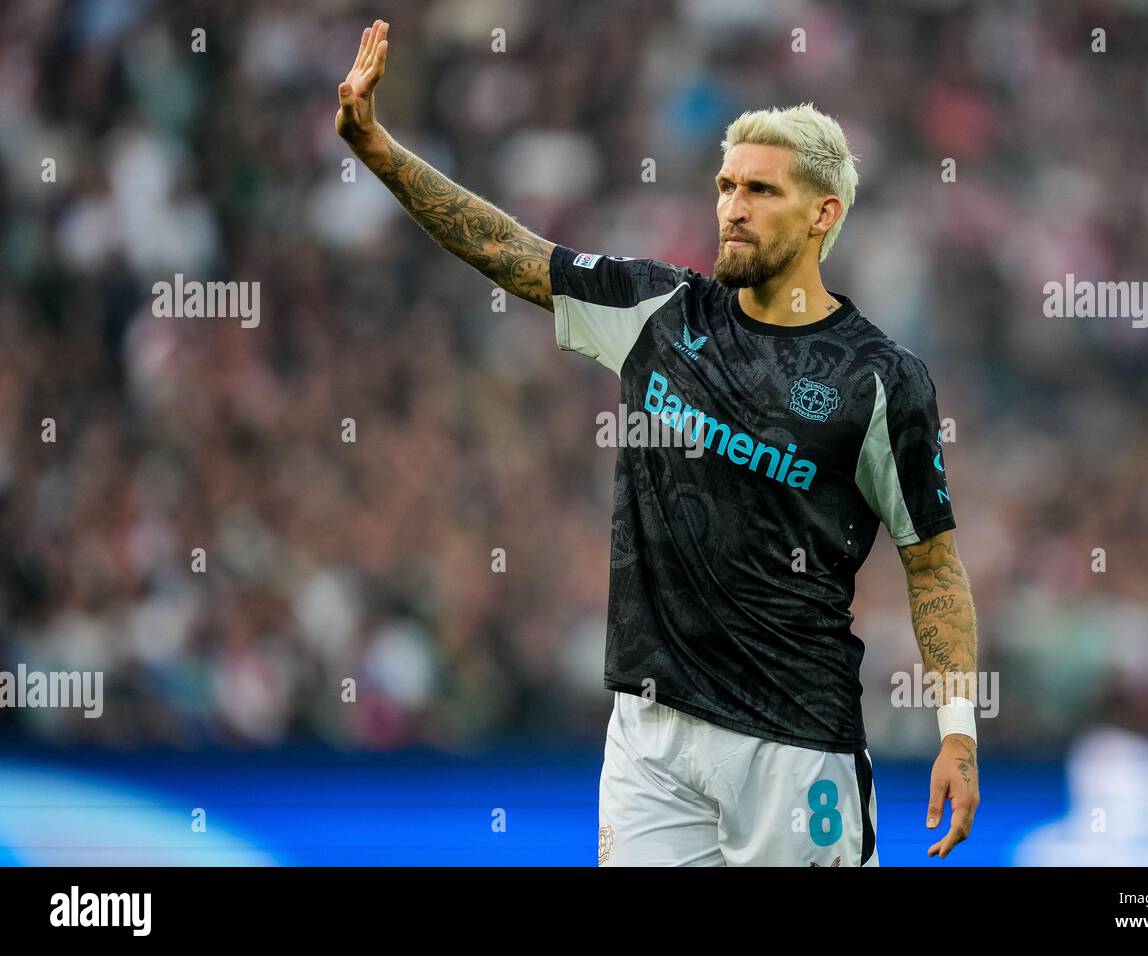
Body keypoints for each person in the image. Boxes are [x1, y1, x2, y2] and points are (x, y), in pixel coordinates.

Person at [337, 19, 980, 865]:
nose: (733, 208)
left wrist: (958, 733)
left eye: (761, 191)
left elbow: (931, 564)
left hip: (793, 740)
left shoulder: (880, 379)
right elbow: (505, 248)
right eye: (725, 185)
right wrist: (377, 148)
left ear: (824, 214)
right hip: (650, 734)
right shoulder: (657, 313)